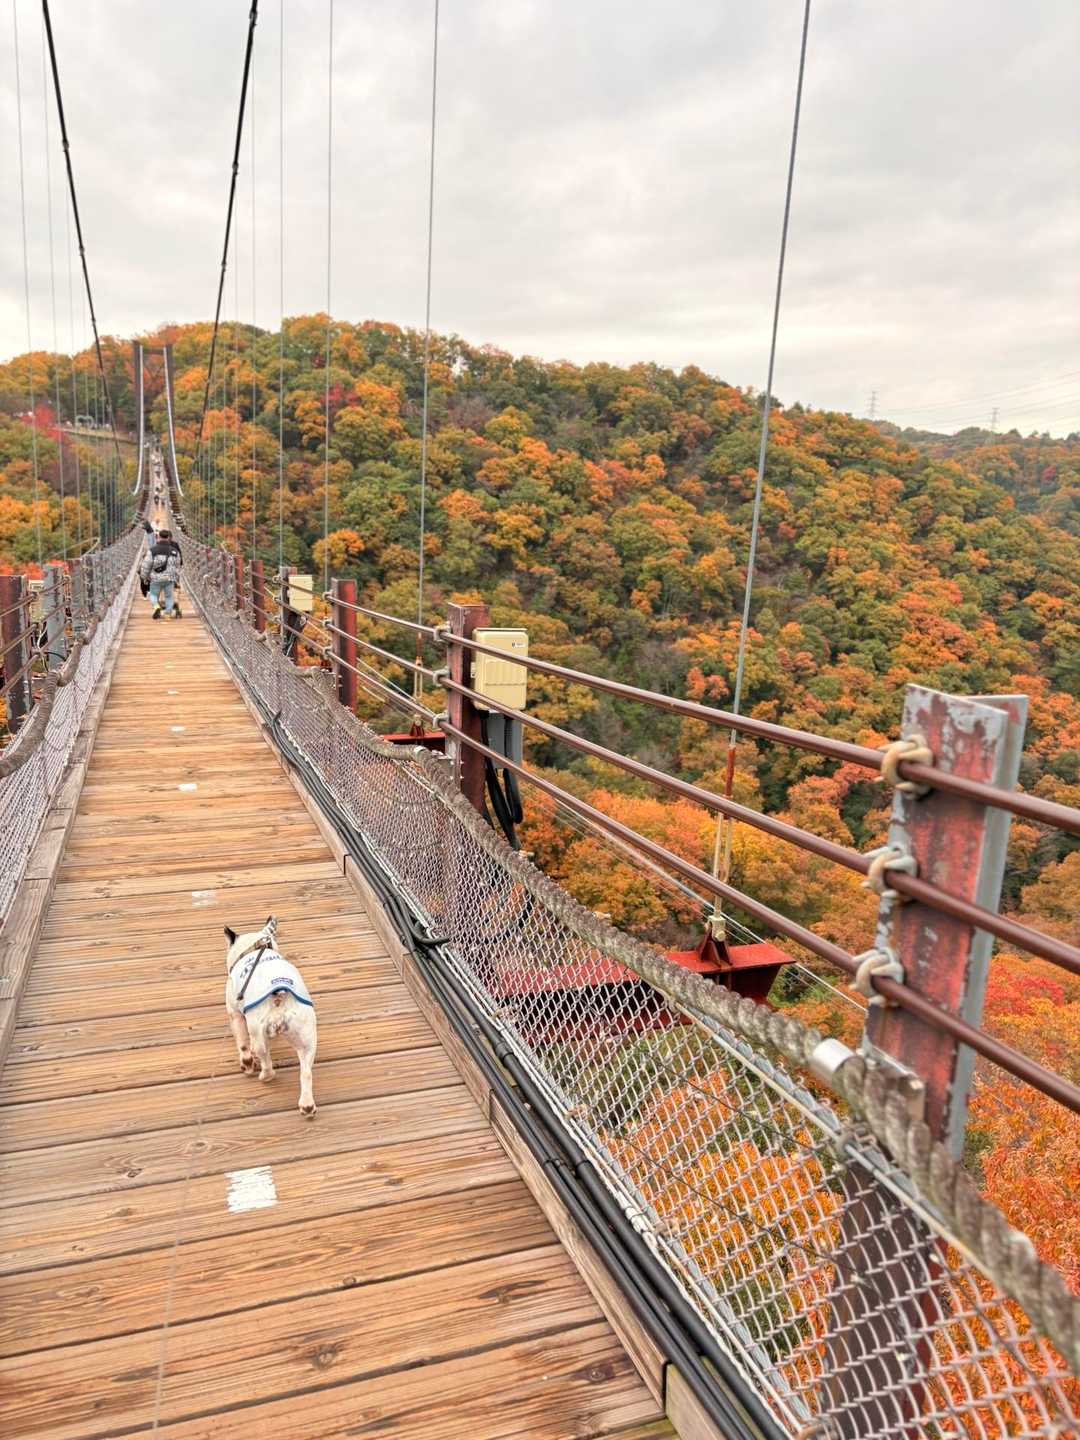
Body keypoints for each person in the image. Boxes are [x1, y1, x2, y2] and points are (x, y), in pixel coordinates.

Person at [139, 528, 184, 620]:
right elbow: (178, 565)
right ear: (168, 538)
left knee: (153, 595)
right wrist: (176, 577)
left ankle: (157, 607)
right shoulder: (174, 551)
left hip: (155, 578)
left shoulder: (152, 550)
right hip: (169, 578)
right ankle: (167, 614)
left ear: (158, 537)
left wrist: (144, 576)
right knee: (169, 596)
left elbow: (146, 564)